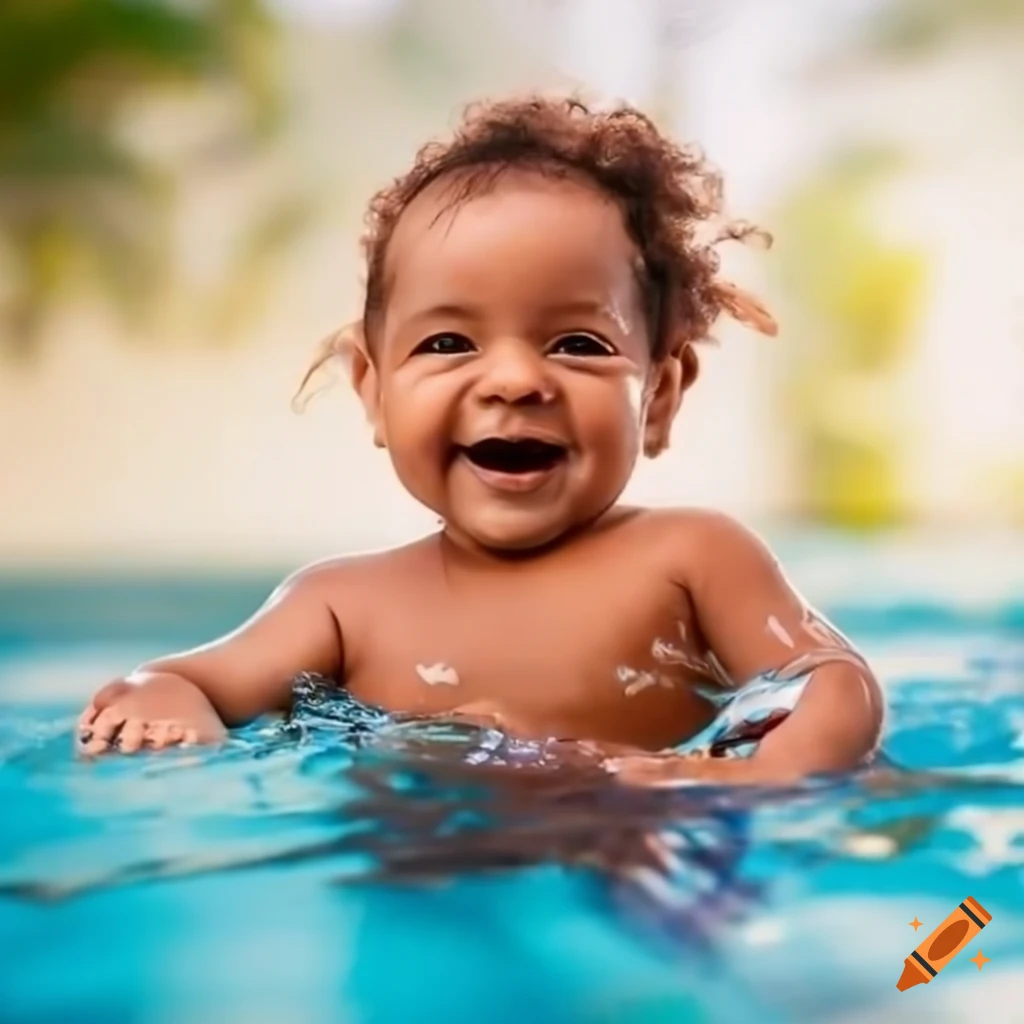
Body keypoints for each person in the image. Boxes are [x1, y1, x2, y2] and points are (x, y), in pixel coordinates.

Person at [77, 96, 883, 785]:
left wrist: (745, 780)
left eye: (577, 344)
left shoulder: (695, 558)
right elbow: (191, 679)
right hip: (427, 871)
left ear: (661, 396)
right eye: (447, 344)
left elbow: (832, 682)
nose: (512, 381)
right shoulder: (339, 605)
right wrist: (163, 702)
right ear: (374, 392)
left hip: (635, 844)